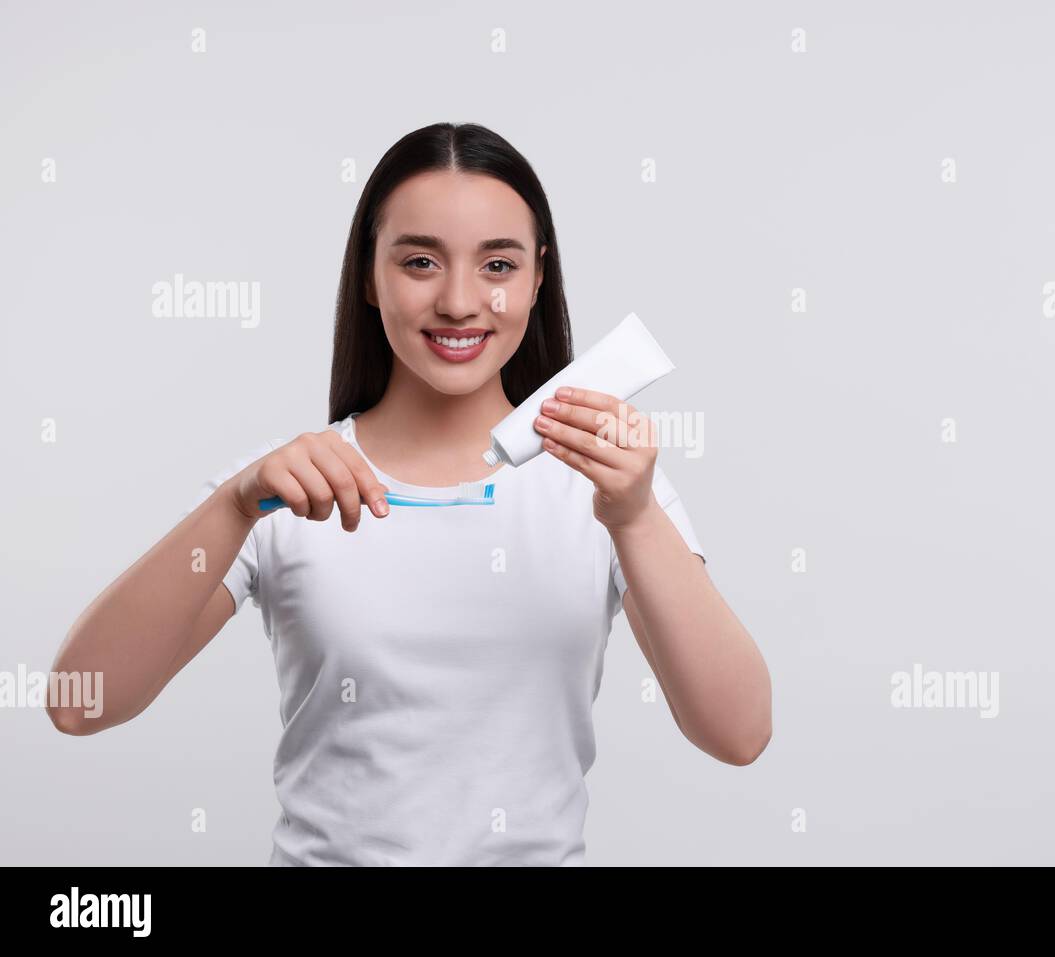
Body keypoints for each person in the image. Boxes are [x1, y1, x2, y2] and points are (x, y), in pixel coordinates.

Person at [47, 122, 771, 866]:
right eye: (420, 261)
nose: (460, 301)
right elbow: (80, 701)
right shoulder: (284, 488)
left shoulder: (609, 490)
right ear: (369, 273)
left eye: (497, 263)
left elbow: (739, 733)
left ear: (537, 277)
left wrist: (635, 517)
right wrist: (232, 506)